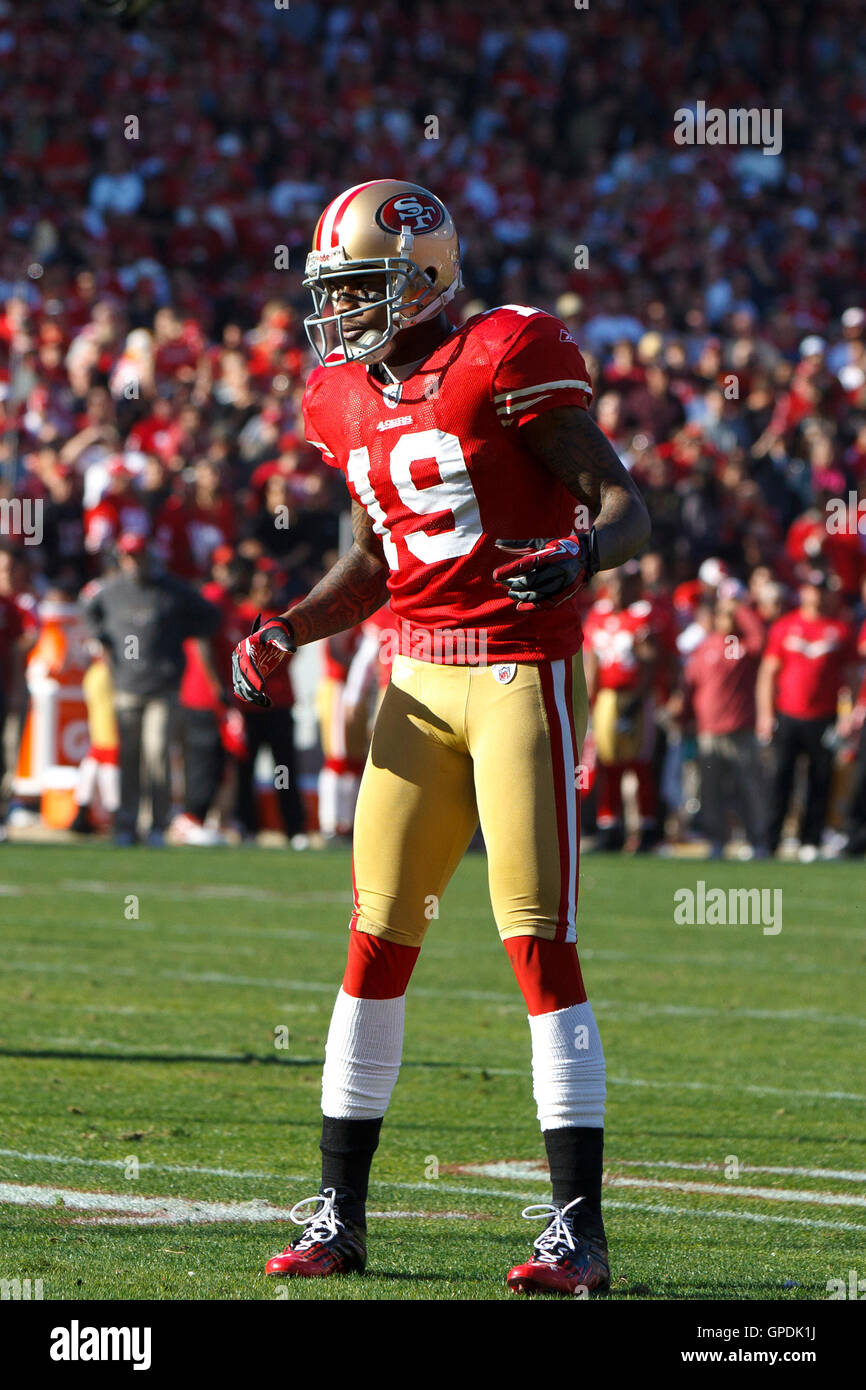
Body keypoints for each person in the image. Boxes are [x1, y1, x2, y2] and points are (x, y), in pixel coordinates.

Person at [231, 180, 649, 1294]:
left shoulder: (506, 352)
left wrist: (579, 557)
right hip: (413, 681)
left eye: (360, 286)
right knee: (372, 947)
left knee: (536, 948)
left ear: (422, 275)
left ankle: (577, 1233)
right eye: (331, 291)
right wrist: (287, 627)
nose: (340, 312)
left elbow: (626, 507)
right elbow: (370, 563)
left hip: (517, 673)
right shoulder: (339, 397)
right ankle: (338, 1217)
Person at [82, 533, 220, 845]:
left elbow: (209, 617)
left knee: (157, 751)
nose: (134, 563)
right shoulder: (110, 591)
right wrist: (102, 643)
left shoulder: (172, 591)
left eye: (139, 556)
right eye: (128, 557)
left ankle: (158, 823)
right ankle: (126, 822)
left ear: (149, 557)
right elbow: (89, 613)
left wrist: (182, 642)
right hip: (126, 686)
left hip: (163, 686)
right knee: (127, 755)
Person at [756, 572, 858, 861]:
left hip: (824, 716)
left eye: (822, 590)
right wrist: (766, 714)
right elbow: (768, 674)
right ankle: (770, 840)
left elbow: (850, 678)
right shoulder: (786, 627)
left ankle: (810, 839)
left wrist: (846, 716)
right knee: (780, 779)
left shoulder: (839, 629)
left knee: (820, 779)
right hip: (788, 715)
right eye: (813, 589)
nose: (817, 595)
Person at [682, 588, 767, 857]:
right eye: (722, 614)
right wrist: (685, 716)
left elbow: (760, 639)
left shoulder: (740, 645)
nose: (726, 618)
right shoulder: (704, 647)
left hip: (740, 730)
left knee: (749, 789)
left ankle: (758, 841)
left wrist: (739, 608)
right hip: (709, 732)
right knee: (711, 791)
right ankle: (717, 840)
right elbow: (690, 686)